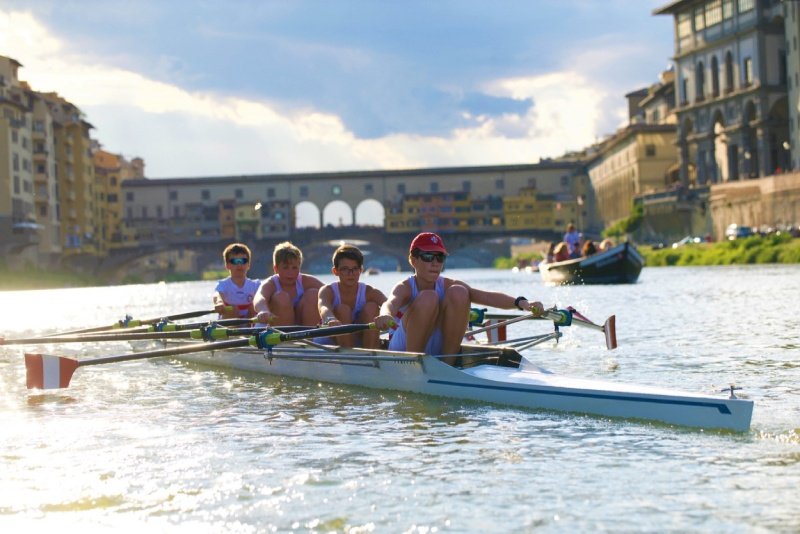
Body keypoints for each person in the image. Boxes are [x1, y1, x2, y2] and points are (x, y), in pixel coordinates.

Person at [373, 232, 544, 361]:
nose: (435, 263)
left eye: (440, 257)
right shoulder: (405, 287)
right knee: (429, 297)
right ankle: (413, 365)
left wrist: (523, 303)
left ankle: (448, 364)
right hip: (404, 348)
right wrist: (385, 315)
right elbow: (390, 303)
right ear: (413, 260)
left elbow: (486, 297)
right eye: (427, 257)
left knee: (460, 292)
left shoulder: (447, 284)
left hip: (435, 347)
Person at [317, 244, 387, 348]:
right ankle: (349, 355)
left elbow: (389, 304)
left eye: (355, 268)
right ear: (335, 271)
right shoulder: (328, 291)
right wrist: (330, 319)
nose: (351, 274)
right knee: (343, 309)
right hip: (332, 340)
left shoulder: (370, 292)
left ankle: (371, 355)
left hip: (359, 338)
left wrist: (386, 315)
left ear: (361, 270)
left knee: (371, 307)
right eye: (345, 269)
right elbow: (324, 307)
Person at [253, 241, 324, 327]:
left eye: (294, 268)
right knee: (281, 297)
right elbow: (259, 298)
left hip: (300, 326)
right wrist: (263, 310)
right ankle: (286, 339)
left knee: (314, 294)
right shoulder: (271, 283)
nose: (290, 273)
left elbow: (330, 292)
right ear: (276, 269)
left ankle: (310, 336)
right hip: (274, 328)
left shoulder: (305, 281)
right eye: (285, 268)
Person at [213, 243, 260, 319]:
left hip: (250, 323)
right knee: (233, 309)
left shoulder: (256, 285)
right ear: (227, 265)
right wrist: (219, 302)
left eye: (243, 261)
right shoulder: (223, 284)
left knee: (253, 307)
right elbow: (217, 295)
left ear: (248, 265)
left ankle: (249, 329)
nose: (239, 265)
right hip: (229, 324)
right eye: (235, 261)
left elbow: (264, 297)